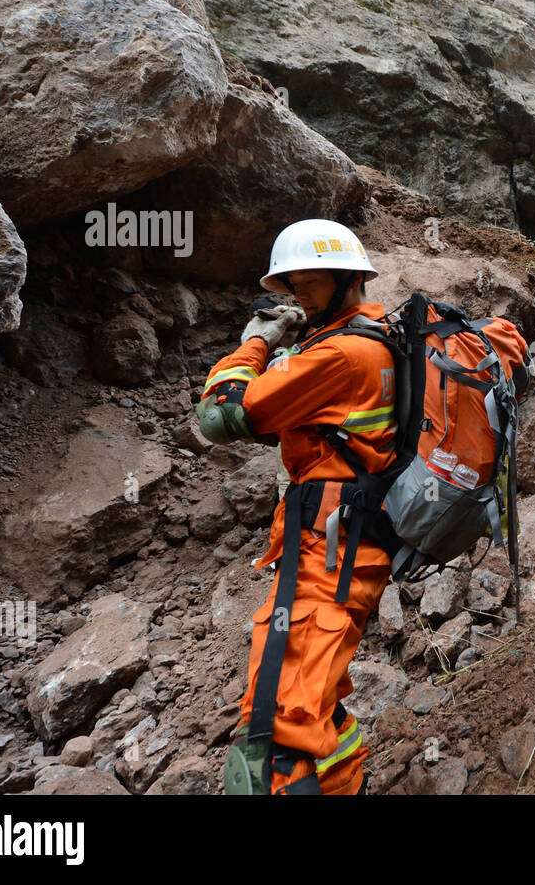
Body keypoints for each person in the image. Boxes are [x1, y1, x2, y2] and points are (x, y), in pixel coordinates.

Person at [197, 218, 395, 795]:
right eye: (289, 289)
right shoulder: (381, 338)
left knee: (273, 742)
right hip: (348, 542)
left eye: (305, 285)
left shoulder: (336, 356)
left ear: (345, 278)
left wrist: (257, 339)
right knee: (318, 708)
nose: (296, 298)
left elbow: (218, 417)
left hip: (328, 553)